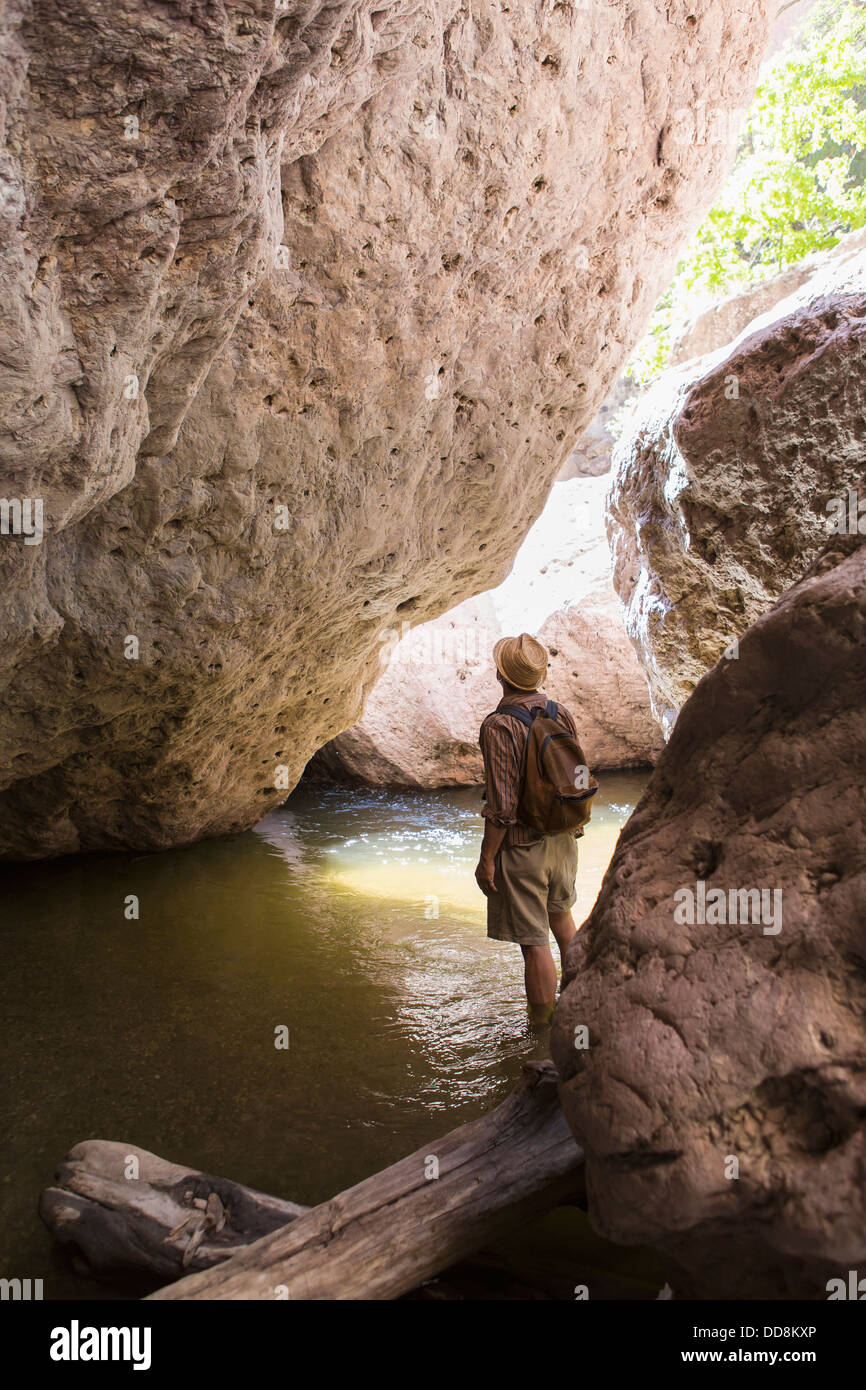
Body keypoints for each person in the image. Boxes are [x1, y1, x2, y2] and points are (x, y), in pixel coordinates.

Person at [475, 633, 579, 1023]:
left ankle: (540, 1029)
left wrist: (487, 859)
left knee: (534, 945)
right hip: (564, 839)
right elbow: (574, 778)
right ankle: (583, 1004)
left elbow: (501, 805)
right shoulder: (561, 711)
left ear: (500, 675)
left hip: (521, 848)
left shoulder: (500, 725)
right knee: (563, 921)